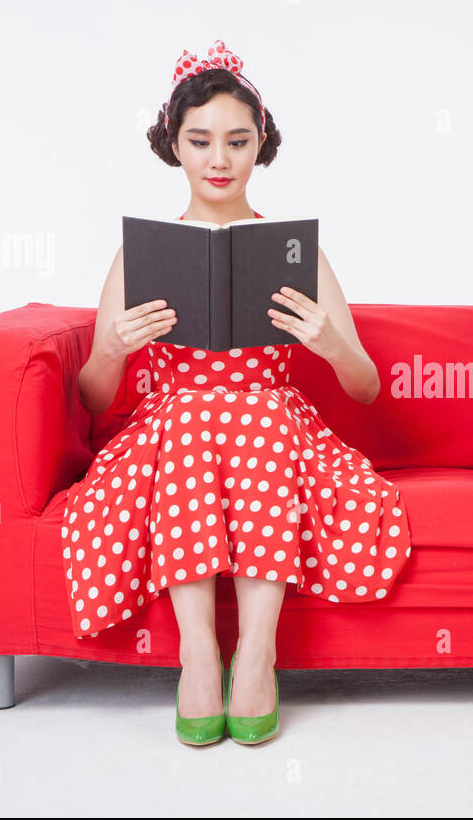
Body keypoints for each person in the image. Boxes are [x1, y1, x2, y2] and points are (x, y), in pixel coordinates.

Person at [61, 41, 412, 747]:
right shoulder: (143, 252)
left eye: (237, 141)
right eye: (200, 141)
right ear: (174, 145)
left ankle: (257, 652)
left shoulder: (293, 250)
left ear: (261, 146)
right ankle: (199, 652)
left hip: (272, 429)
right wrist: (113, 348)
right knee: (192, 416)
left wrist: (329, 341)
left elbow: (367, 386)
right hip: (172, 430)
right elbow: (95, 398)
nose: (219, 160)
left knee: (250, 414)